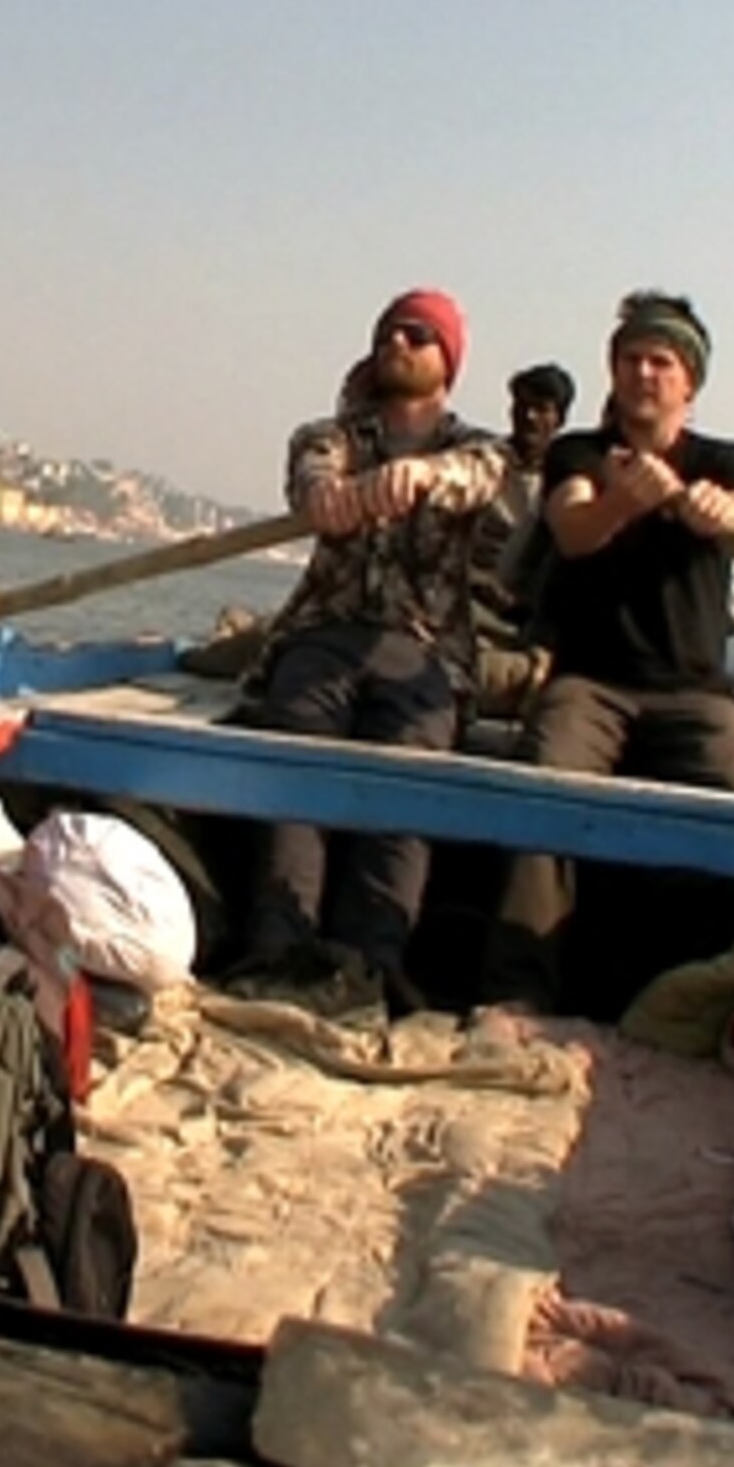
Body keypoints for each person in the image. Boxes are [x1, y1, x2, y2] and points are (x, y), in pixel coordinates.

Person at [480, 291, 734, 1013]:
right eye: (630, 359)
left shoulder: (727, 460)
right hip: (591, 685)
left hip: (696, 694)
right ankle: (518, 991)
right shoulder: (580, 452)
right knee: (544, 789)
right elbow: (574, 526)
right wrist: (627, 500)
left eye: (660, 362)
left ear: (688, 382)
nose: (644, 373)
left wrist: (722, 514)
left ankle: (705, 999)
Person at [231, 289, 510, 1014]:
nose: (400, 342)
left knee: (404, 790)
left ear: (446, 360)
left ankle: (371, 964)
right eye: (390, 330)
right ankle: (279, 951)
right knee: (294, 771)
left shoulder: (476, 449)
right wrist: (326, 494)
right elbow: (311, 470)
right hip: (323, 635)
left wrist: (425, 476)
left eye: (419, 334)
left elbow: (483, 479)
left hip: (423, 653)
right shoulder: (332, 436)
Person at [471, 363, 577, 718]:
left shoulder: (572, 483)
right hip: (473, 604)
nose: (529, 417)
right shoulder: (480, 466)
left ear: (559, 419)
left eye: (542, 409)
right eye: (522, 406)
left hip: (534, 618)